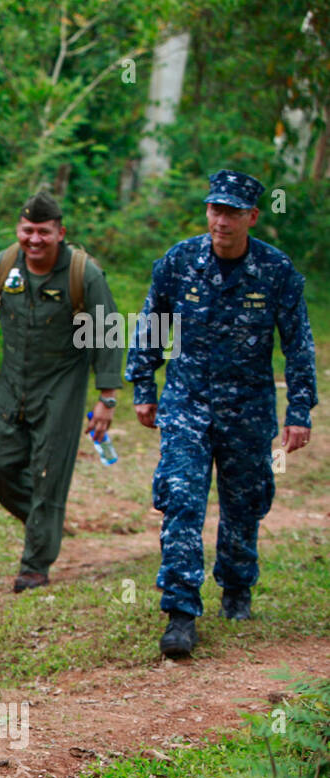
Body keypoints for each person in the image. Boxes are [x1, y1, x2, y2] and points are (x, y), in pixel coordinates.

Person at [127, 170, 317, 657]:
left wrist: (299, 409)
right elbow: (151, 324)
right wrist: (144, 385)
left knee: (244, 504)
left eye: (233, 212)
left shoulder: (276, 270)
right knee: (182, 500)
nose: (222, 220)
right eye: (216, 209)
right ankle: (181, 611)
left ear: (252, 216)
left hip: (248, 409)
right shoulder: (178, 261)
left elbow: (298, 344)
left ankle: (236, 586)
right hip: (187, 403)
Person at [0, 191, 122, 592]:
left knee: (49, 473)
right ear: (19, 229)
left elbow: (107, 334)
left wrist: (107, 399)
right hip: (12, 383)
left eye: (43, 232)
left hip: (61, 387)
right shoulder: (4, 266)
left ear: (60, 233)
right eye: (27, 230)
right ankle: (46, 522)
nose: (34, 239)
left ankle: (35, 564)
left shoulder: (83, 274)